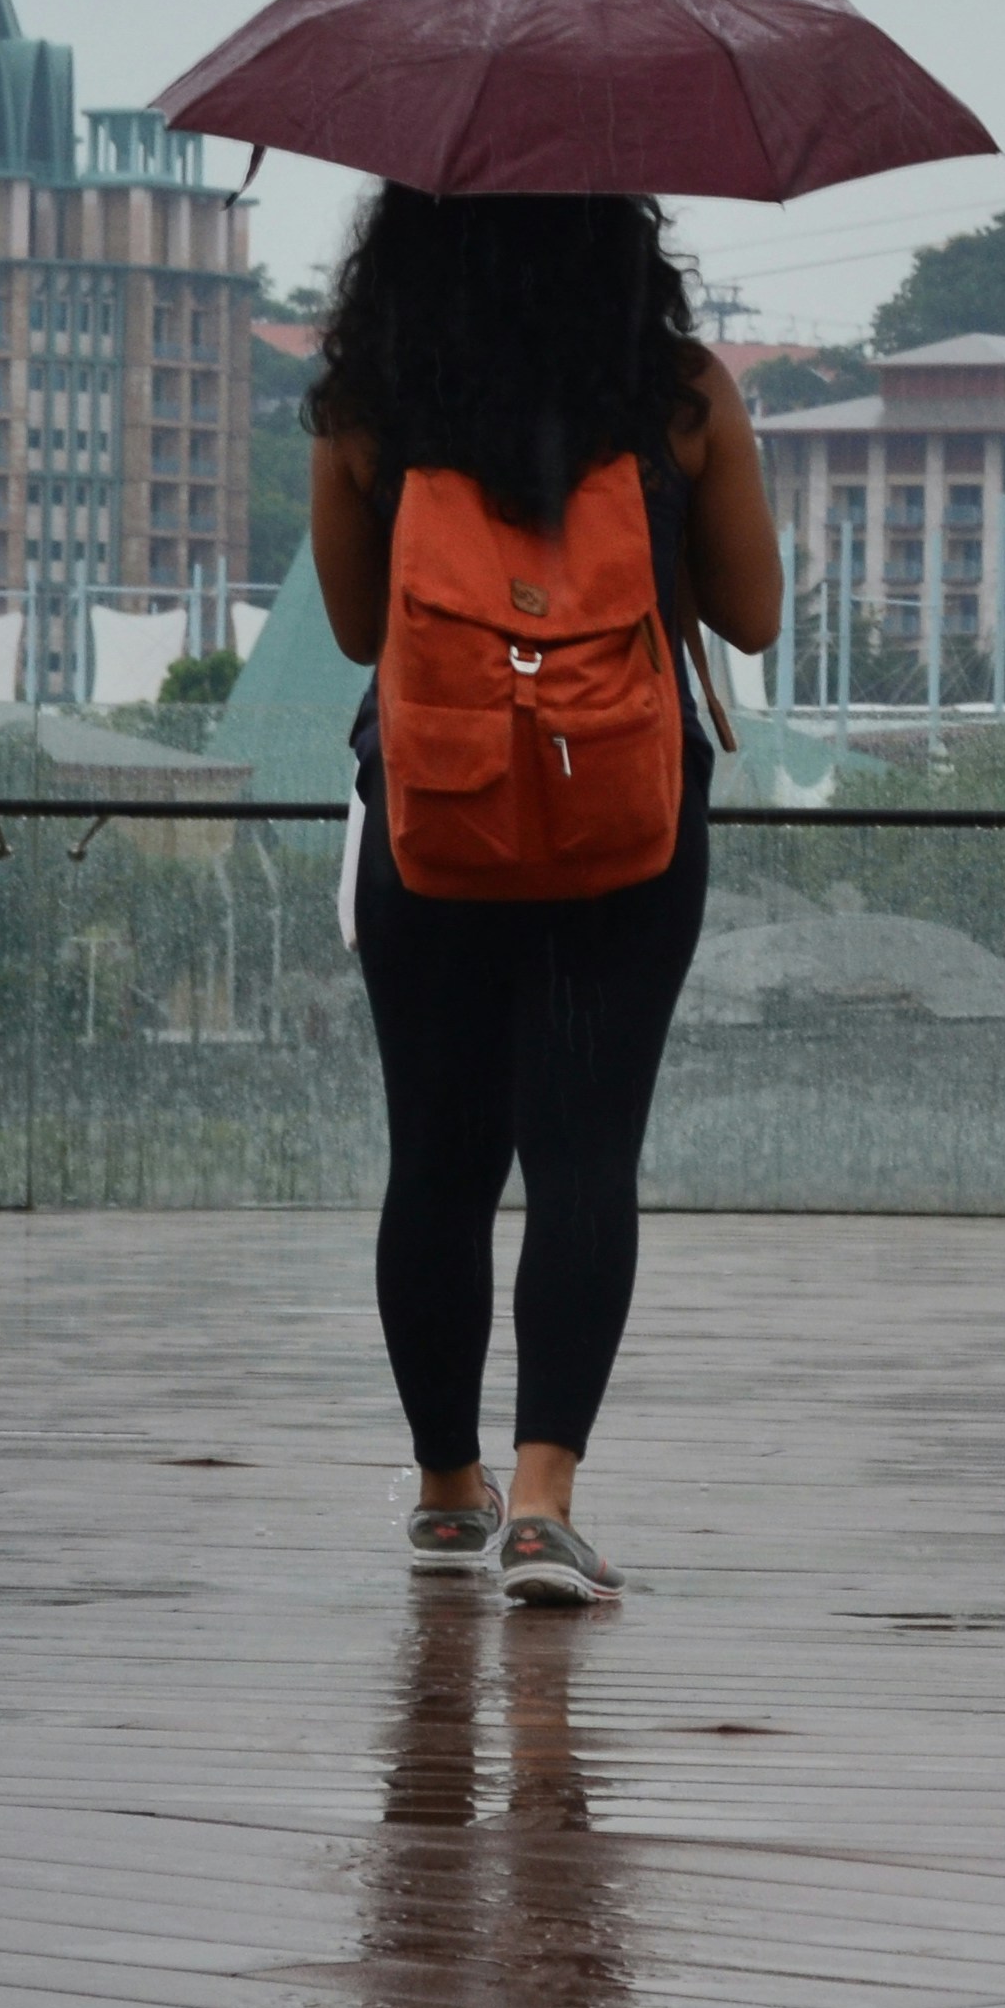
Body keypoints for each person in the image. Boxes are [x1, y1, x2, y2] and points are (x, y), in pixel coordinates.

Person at [308, 187, 781, 1606]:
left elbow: (351, 630)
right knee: (583, 1161)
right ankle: (541, 1502)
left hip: (431, 815)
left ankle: (445, 1491)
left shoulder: (370, 400)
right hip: (623, 822)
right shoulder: (682, 393)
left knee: (437, 1164)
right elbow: (749, 616)